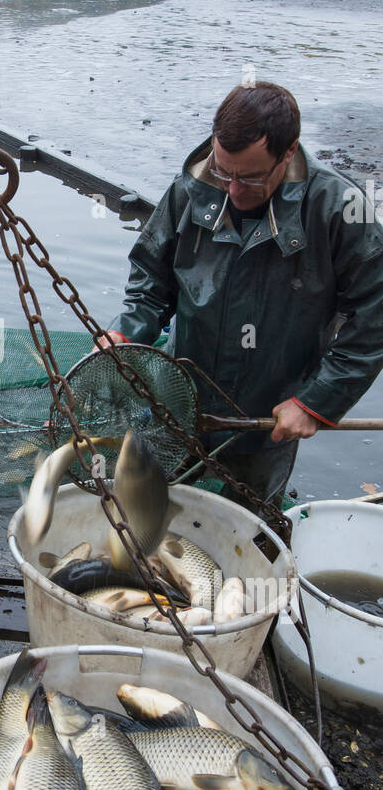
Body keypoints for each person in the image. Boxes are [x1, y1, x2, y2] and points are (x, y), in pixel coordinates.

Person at [101, 82, 383, 510]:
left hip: (267, 420)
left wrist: (316, 401)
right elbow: (151, 277)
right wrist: (129, 328)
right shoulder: (191, 188)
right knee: (135, 511)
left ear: (287, 154)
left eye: (250, 177)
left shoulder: (338, 209)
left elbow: (374, 319)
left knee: (242, 529)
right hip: (178, 397)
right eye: (222, 170)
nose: (231, 189)